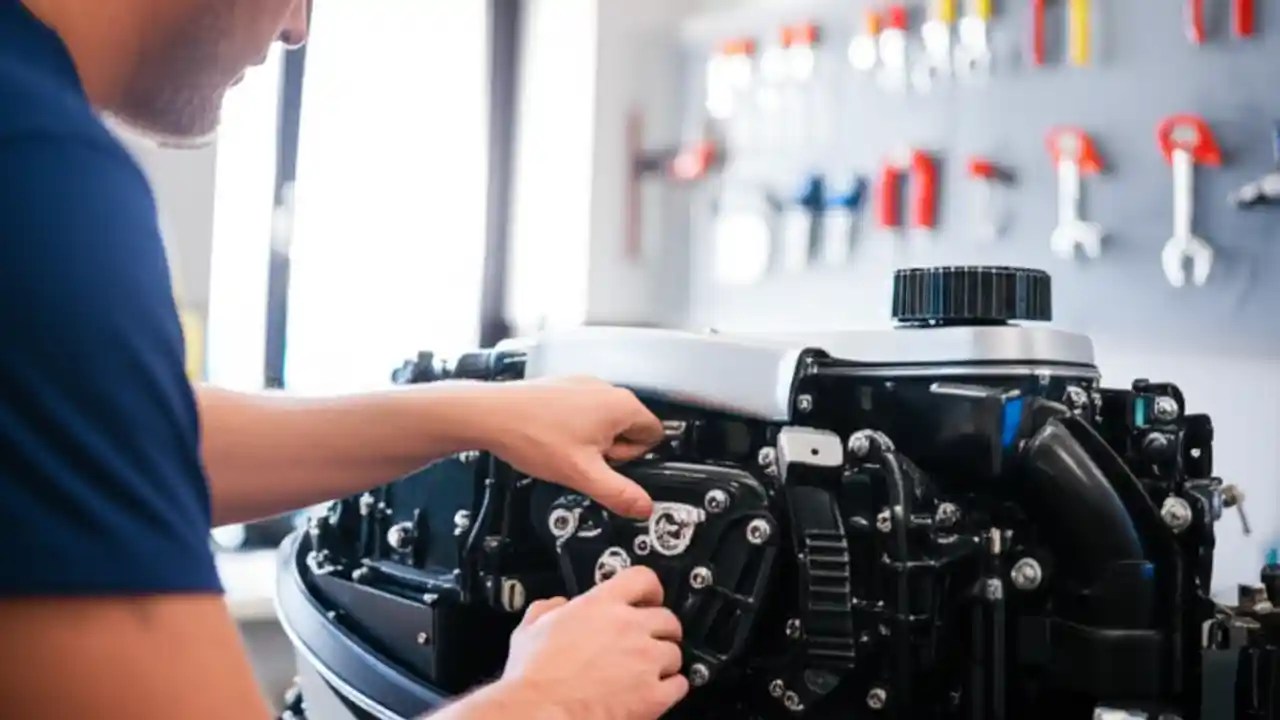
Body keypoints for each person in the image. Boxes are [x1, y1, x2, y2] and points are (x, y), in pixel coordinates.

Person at [0, 1, 689, 718]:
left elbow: (111, 444)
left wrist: (482, 413)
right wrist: (555, 701)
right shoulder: (38, 174)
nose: (298, 26)